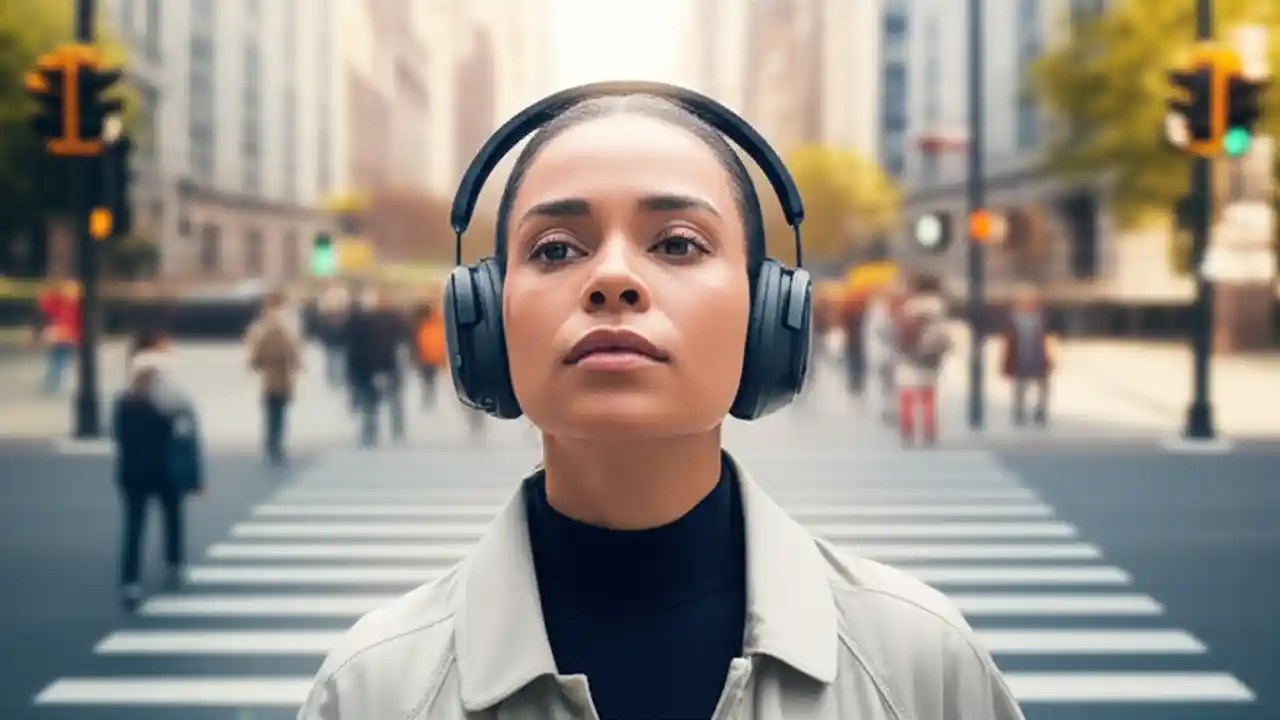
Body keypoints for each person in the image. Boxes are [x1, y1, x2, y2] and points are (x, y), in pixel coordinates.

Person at [298, 85, 1022, 720]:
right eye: (556, 249)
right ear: (483, 316)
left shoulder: (923, 665)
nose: (613, 278)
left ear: (769, 312)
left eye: (677, 244)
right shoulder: (373, 689)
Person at [110, 358, 203, 612]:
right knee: (172, 517)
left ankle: (130, 580)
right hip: (163, 471)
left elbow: (117, 435)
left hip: (132, 473)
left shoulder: (123, 404)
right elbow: (179, 435)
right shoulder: (165, 406)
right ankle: (174, 562)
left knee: (133, 527)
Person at [895, 274, 953, 448]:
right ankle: (929, 431)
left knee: (907, 397)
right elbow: (944, 338)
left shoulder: (908, 307)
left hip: (909, 359)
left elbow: (900, 336)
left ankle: (908, 430)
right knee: (928, 397)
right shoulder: (940, 308)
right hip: (930, 360)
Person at [246, 292, 303, 466]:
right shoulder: (287, 328)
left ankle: (271, 444)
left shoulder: (262, 328)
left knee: (270, 413)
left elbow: (255, 355)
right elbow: (294, 352)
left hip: (269, 379)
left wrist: (257, 364)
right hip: (284, 378)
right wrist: (296, 365)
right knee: (280, 413)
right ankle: (277, 445)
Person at [346, 288, 407, 446]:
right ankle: (388, 431)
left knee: (376, 402)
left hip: (377, 366)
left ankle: (374, 433)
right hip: (379, 365)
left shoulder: (363, 322)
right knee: (382, 401)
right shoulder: (386, 320)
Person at [1001, 285, 1059, 427]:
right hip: (1020, 357)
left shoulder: (1041, 318)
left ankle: (1040, 411)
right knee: (1020, 387)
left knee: (1043, 385)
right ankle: (1019, 412)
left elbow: (1048, 338)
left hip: (1037, 357)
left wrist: (1051, 355)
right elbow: (1009, 342)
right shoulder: (1014, 319)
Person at [36, 280, 82, 394]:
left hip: (62, 337)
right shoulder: (70, 307)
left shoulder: (65, 306)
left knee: (57, 360)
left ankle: (50, 382)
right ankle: (51, 382)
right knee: (60, 361)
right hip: (64, 337)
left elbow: (46, 307)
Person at [413, 301, 447, 409]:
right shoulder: (433, 324)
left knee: (428, 380)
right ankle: (428, 398)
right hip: (429, 358)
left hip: (428, 358)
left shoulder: (425, 326)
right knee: (428, 380)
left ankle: (428, 398)